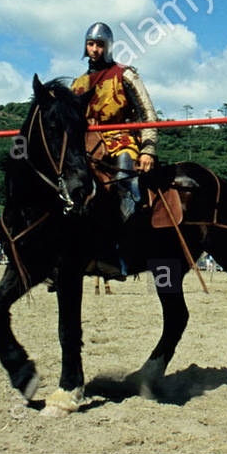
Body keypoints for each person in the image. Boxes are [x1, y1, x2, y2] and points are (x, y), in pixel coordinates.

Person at [71, 23, 159, 279]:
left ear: (108, 47)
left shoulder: (125, 75)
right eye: (91, 43)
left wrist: (148, 150)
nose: (95, 49)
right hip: (88, 148)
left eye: (99, 44)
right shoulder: (77, 85)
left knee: (124, 188)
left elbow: (148, 115)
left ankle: (123, 252)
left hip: (123, 143)